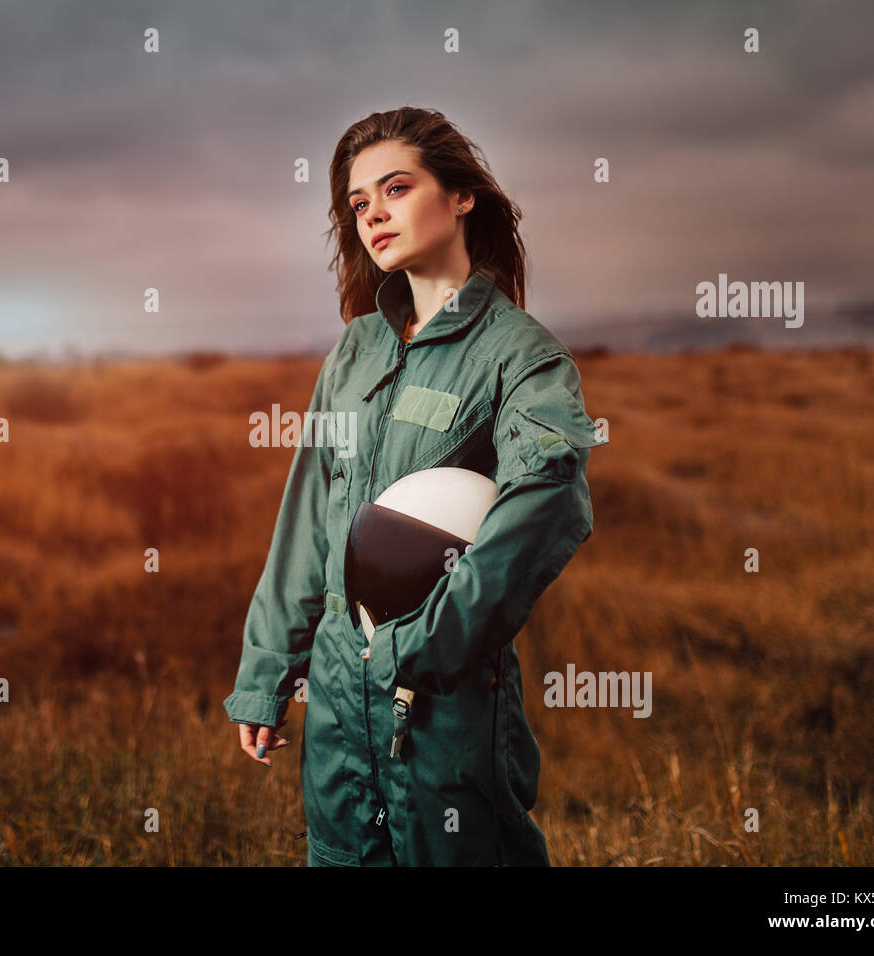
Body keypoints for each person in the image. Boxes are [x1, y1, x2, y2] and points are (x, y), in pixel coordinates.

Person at [224, 107, 606, 866]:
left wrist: (427, 641)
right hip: (335, 697)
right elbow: (308, 516)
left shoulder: (520, 355)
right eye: (358, 203)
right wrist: (268, 675)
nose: (373, 214)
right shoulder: (355, 350)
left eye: (396, 189)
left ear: (461, 196)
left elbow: (550, 492)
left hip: (443, 697)